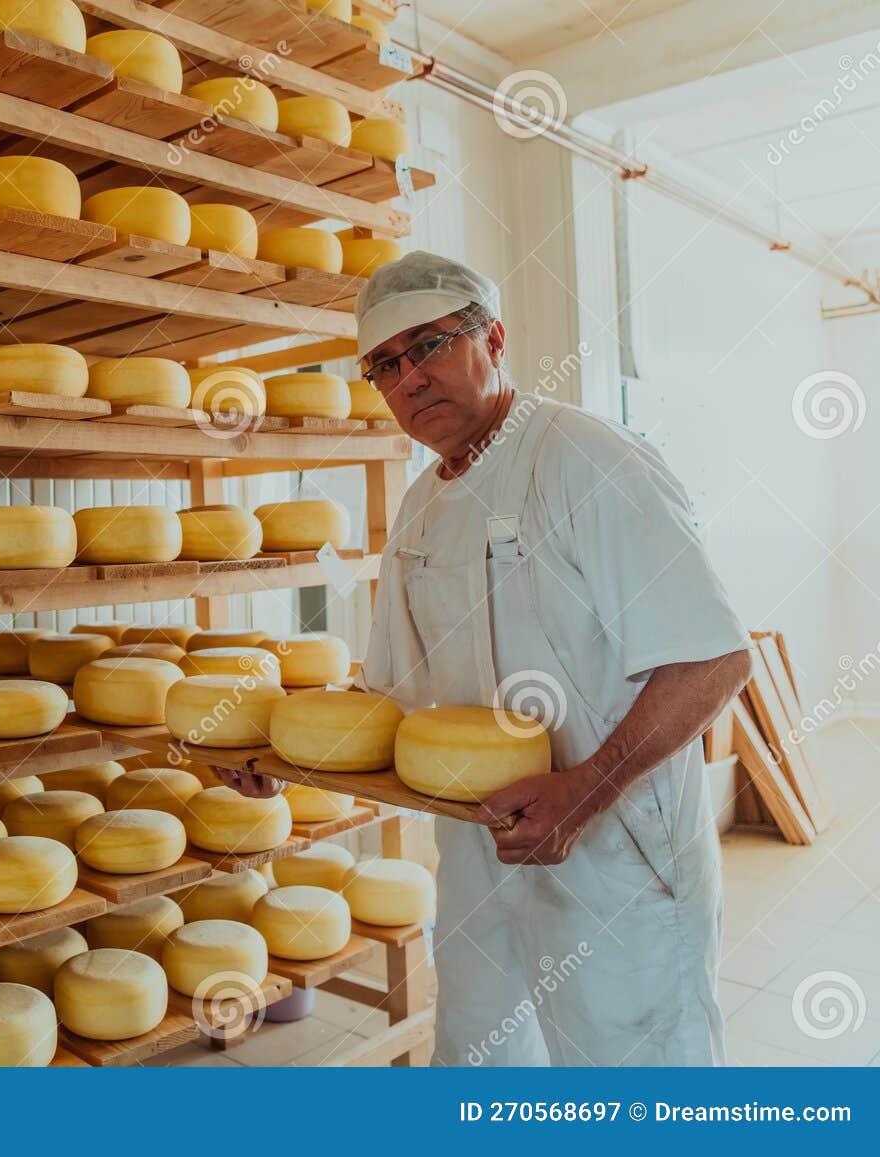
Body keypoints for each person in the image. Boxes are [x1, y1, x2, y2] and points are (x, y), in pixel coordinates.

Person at [219, 252, 750, 1066]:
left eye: (429, 346)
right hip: (481, 857)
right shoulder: (421, 508)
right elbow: (383, 699)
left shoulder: (586, 459)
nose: (409, 381)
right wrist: (284, 760)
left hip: (612, 858)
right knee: (479, 1066)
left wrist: (585, 790)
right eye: (385, 366)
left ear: (493, 338)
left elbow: (712, 659)